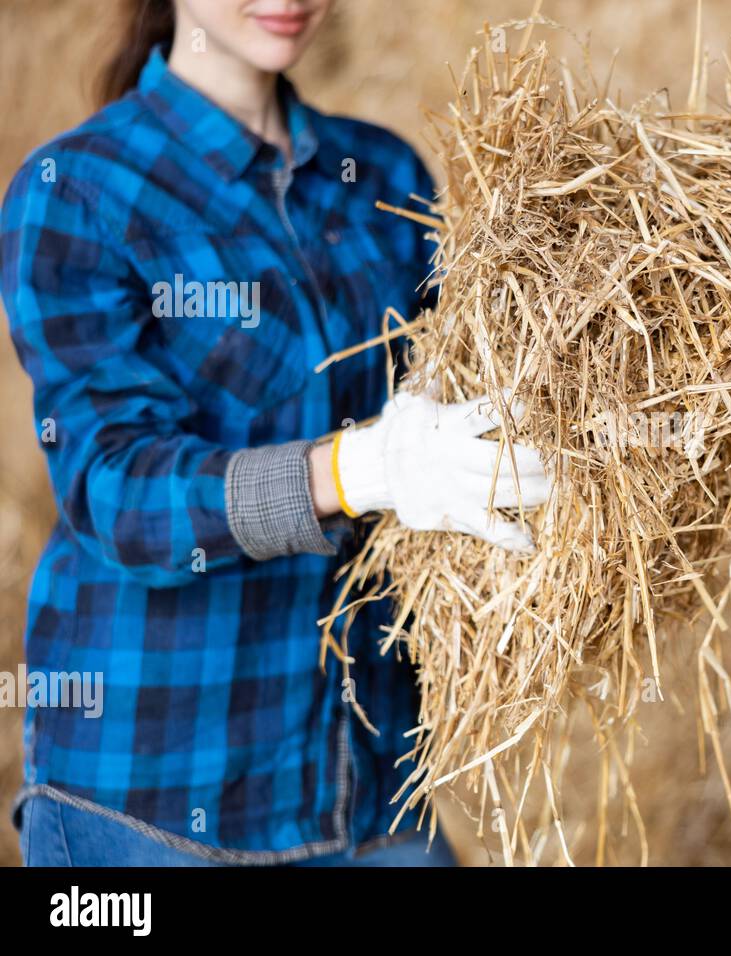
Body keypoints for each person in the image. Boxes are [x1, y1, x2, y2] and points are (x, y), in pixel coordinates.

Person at [0, 0, 549, 866]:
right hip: (152, 794)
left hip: (368, 778)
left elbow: (470, 384)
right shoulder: (80, 190)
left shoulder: (380, 172)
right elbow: (117, 493)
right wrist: (358, 469)